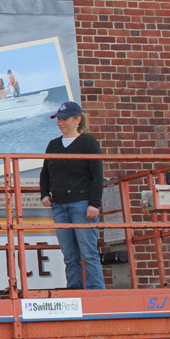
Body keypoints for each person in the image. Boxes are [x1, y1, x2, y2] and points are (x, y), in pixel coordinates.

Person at [39, 101, 105, 290]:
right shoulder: (53, 145)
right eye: (59, 119)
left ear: (77, 120)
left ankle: (95, 290)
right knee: (69, 254)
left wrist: (94, 203)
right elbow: (45, 173)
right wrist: (44, 193)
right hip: (60, 204)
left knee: (88, 251)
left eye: (65, 119)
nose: (61, 123)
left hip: (82, 203)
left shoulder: (88, 143)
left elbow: (97, 175)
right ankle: (74, 288)